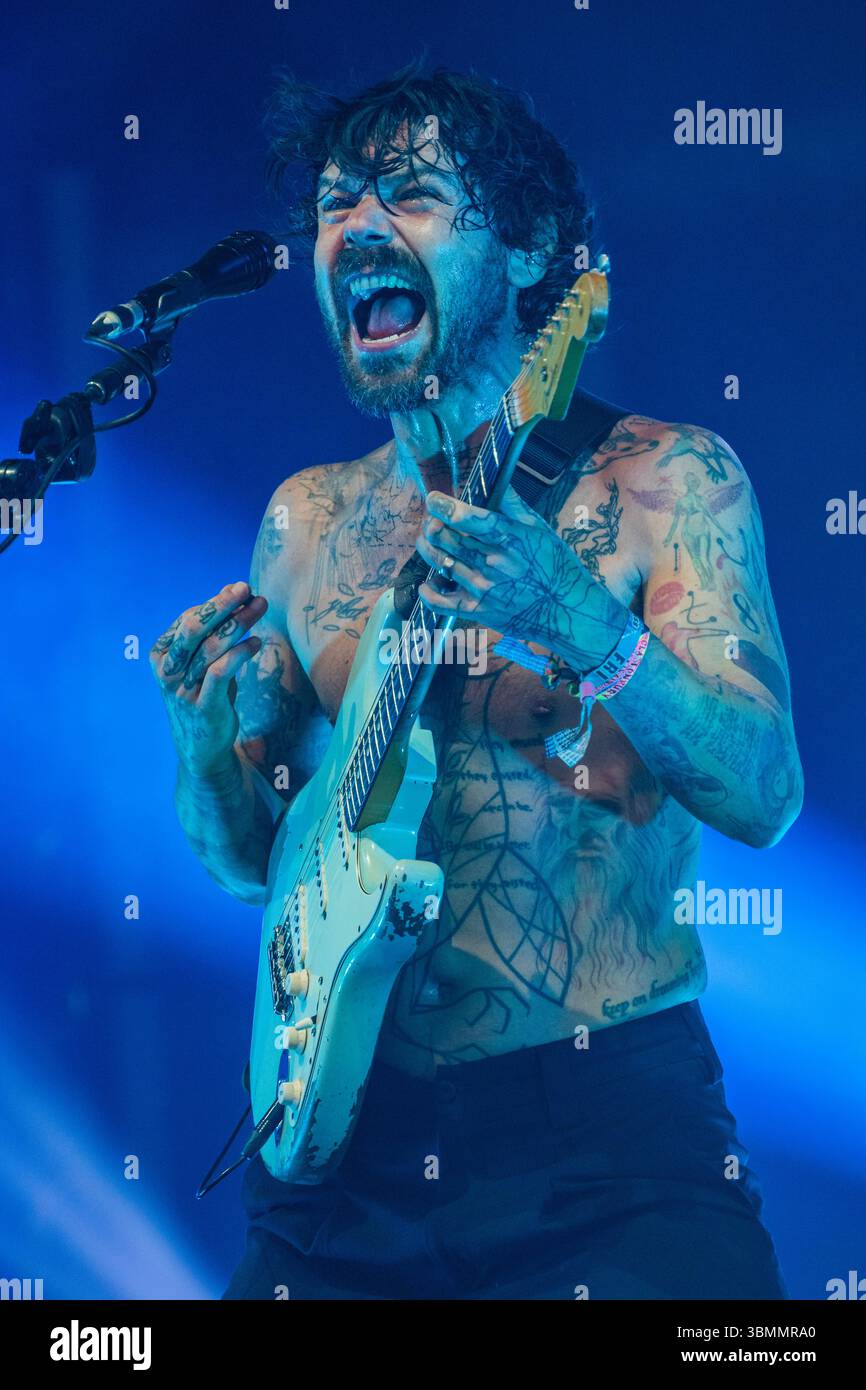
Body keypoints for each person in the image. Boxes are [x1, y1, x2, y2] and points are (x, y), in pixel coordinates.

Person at [150, 66, 802, 1299]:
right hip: (338, 1161)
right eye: (337, 204)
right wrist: (200, 746)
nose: (357, 229)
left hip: (602, 1147)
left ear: (529, 252)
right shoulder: (307, 521)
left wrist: (574, 619)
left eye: (412, 195)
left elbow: (763, 791)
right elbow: (256, 866)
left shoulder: (666, 481)